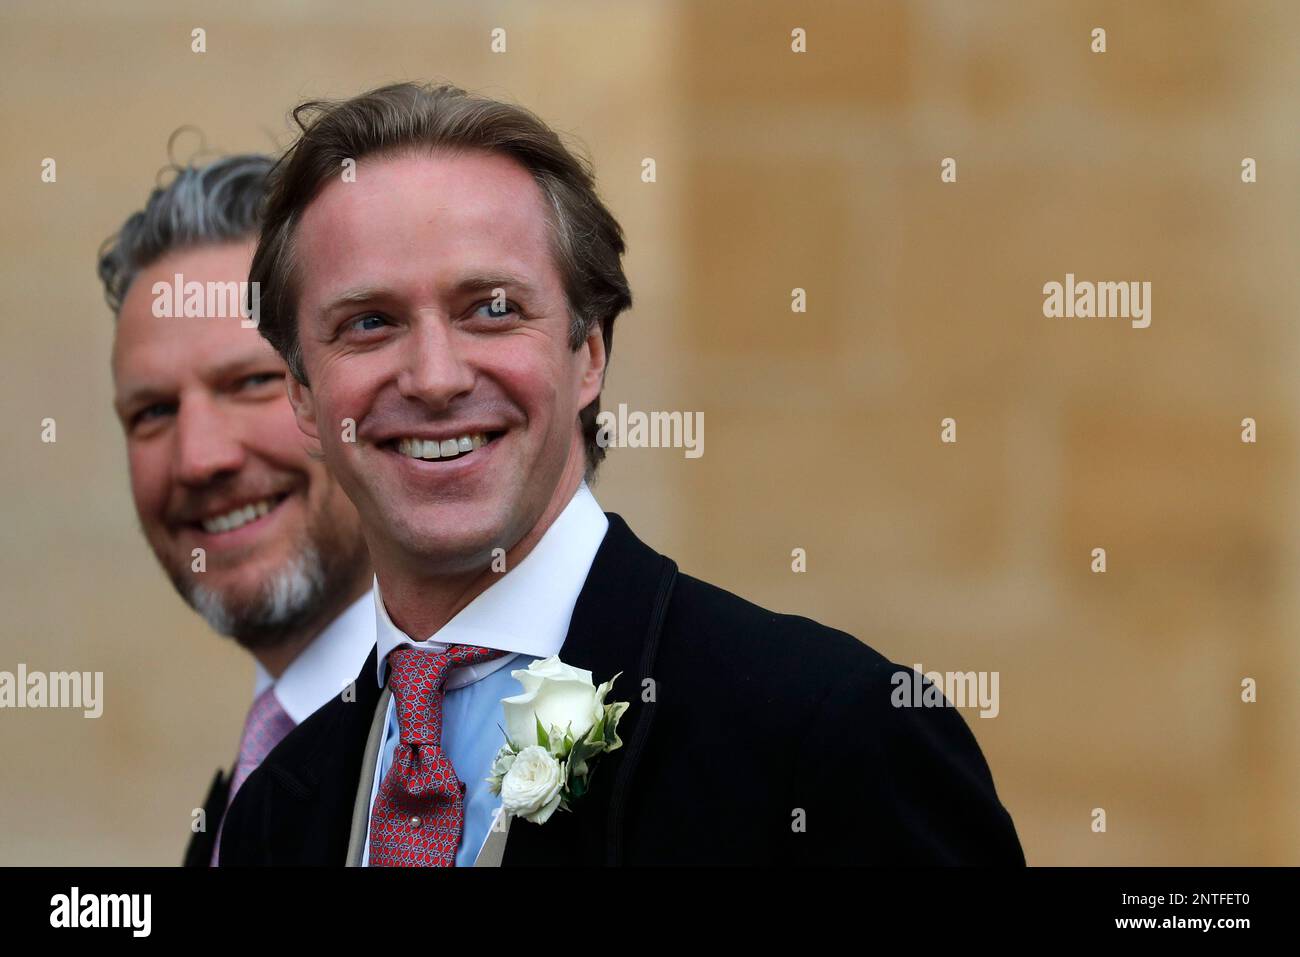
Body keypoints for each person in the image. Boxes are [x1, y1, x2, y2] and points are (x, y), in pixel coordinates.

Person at [219, 83, 1024, 865]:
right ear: (301, 394)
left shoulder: (830, 735)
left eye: (492, 308)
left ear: (590, 353)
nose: (435, 377)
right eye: (370, 322)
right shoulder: (276, 814)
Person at [100, 154, 375, 865]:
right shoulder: (253, 778)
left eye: (251, 381)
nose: (199, 457)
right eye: (153, 410)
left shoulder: (482, 746)